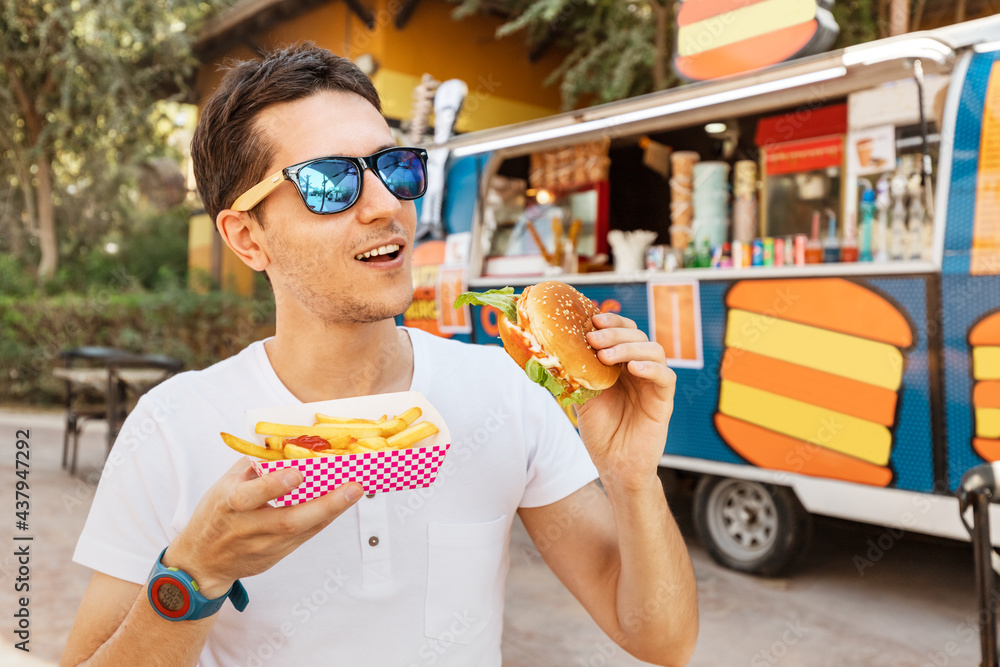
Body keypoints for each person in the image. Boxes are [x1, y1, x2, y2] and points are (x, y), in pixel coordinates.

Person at [61, 44, 698, 667]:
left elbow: (660, 641)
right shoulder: (173, 425)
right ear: (248, 238)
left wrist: (632, 478)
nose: (387, 205)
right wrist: (194, 575)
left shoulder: (504, 391)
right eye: (330, 183)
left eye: (395, 167)